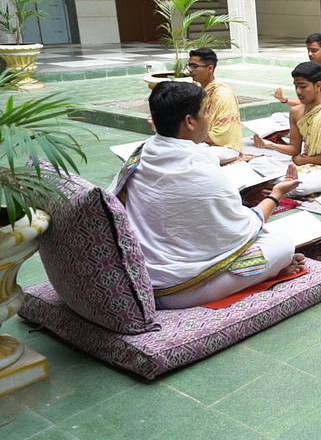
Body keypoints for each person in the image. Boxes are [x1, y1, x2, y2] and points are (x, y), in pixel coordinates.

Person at [110, 81, 305, 309]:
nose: (209, 118)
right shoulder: (200, 172)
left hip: (138, 274)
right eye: (205, 112)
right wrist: (276, 194)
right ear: (190, 121)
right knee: (281, 244)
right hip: (179, 288)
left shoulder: (140, 154)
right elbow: (240, 232)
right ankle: (264, 275)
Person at [252, 61, 321, 197]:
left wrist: (301, 161)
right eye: (296, 86)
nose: (298, 92)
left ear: (318, 85)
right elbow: (294, 149)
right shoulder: (296, 112)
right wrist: (270, 144)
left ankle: (280, 184)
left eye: (303, 86)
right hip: (303, 164)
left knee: (301, 187)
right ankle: (286, 184)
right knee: (256, 163)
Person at [272, 33, 321, 124]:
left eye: (314, 50)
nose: (310, 54)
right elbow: (307, 102)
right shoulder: (311, 70)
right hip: (311, 113)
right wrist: (284, 100)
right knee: (278, 117)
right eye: (308, 50)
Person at [187, 47, 242, 164]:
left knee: (187, 155)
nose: (190, 70)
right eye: (190, 66)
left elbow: (223, 135)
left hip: (225, 148)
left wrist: (189, 137)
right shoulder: (200, 91)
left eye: (195, 67)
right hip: (203, 143)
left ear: (210, 68)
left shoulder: (222, 94)